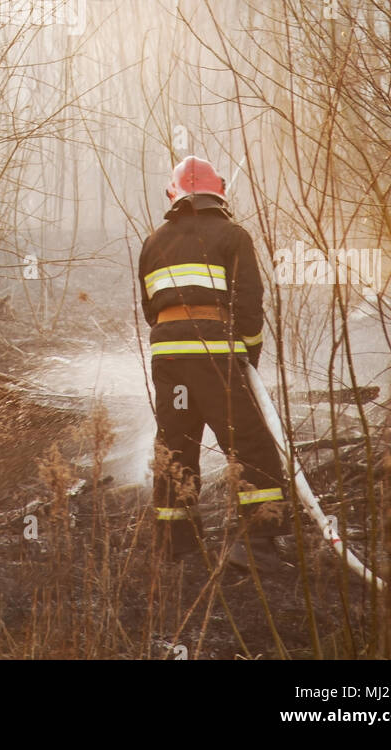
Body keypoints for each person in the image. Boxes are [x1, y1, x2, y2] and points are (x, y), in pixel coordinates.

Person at [138, 155, 288, 572]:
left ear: (174, 195)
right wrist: (246, 358)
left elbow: (150, 308)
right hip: (214, 354)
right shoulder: (233, 236)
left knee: (175, 444)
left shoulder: (153, 242)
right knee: (251, 443)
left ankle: (176, 544)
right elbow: (248, 305)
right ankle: (255, 545)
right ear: (217, 193)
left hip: (167, 357)